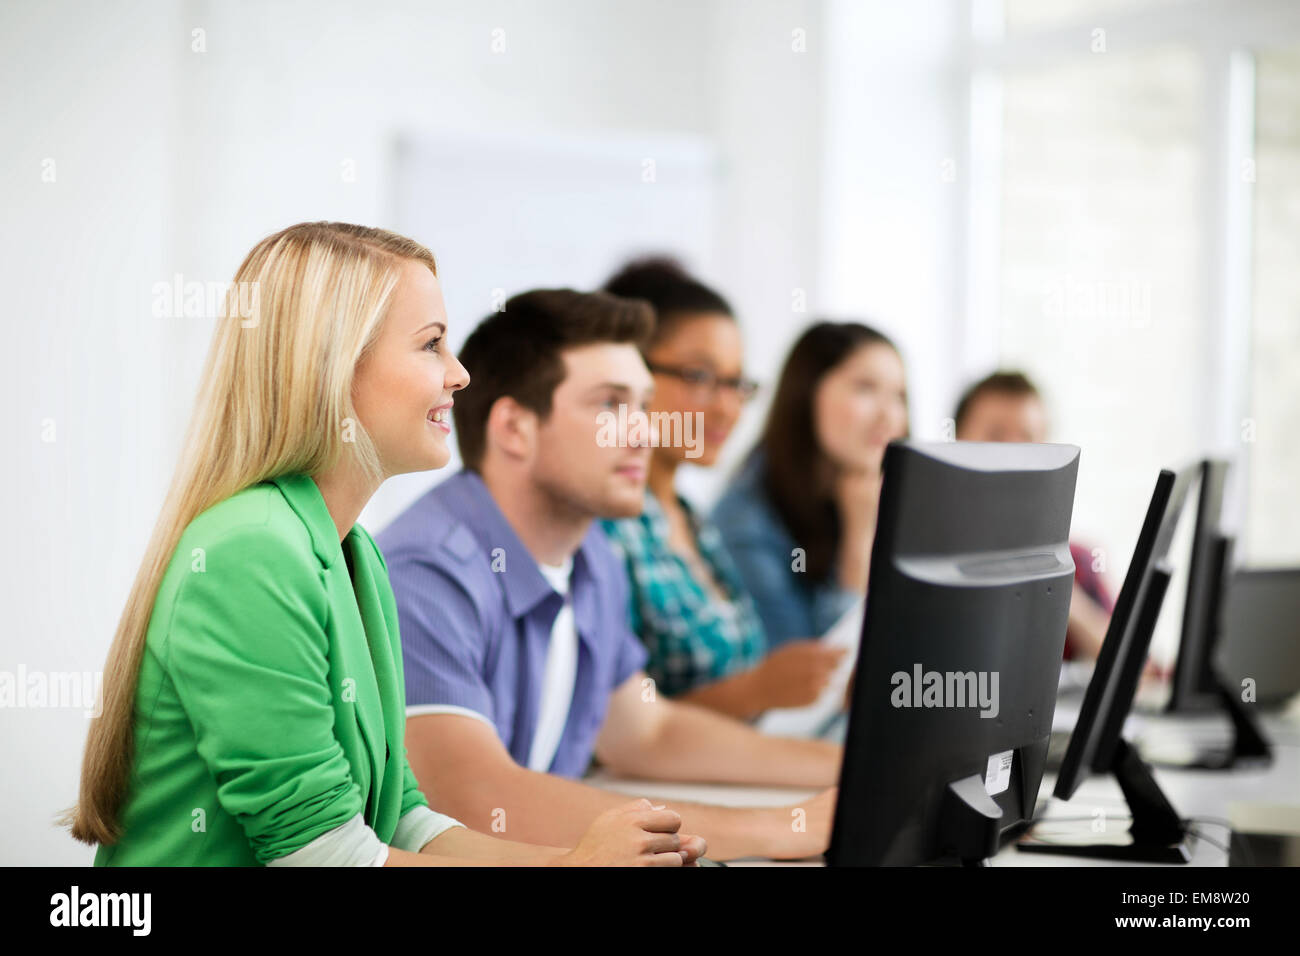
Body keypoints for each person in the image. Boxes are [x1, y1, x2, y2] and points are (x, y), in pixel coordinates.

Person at [65, 222, 703, 867]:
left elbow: (399, 818)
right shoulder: (251, 552)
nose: (459, 375)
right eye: (431, 345)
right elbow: (323, 855)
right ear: (333, 365)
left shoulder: (354, 553)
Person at [378, 289, 840, 861]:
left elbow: (647, 731)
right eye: (610, 405)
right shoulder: (425, 571)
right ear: (515, 428)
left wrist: (852, 769)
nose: (646, 433)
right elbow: (475, 798)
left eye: (645, 405)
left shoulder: (591, 553)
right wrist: (783, 828)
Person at [598, 258, 845, 720]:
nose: (729, 407)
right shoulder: (606, 527)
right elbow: (615, 729)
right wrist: (759, 689)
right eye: (699, 377)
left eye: (736, 383)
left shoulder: (693, 519)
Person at [712, 322, 909, 648]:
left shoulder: (882, 498)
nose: (889, 416)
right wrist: (859, 540)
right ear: (806, 394)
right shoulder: (745, 523)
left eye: (899, 396)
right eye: (865, 388)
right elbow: (811, 677)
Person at [953, 370, 1120, 666]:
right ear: (957, 441)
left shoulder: (1078, 561)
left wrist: (1057, 584)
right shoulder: (930, 551)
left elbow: (1132, 668)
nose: (1015, 452)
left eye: (1028, 438)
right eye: (995, 435)